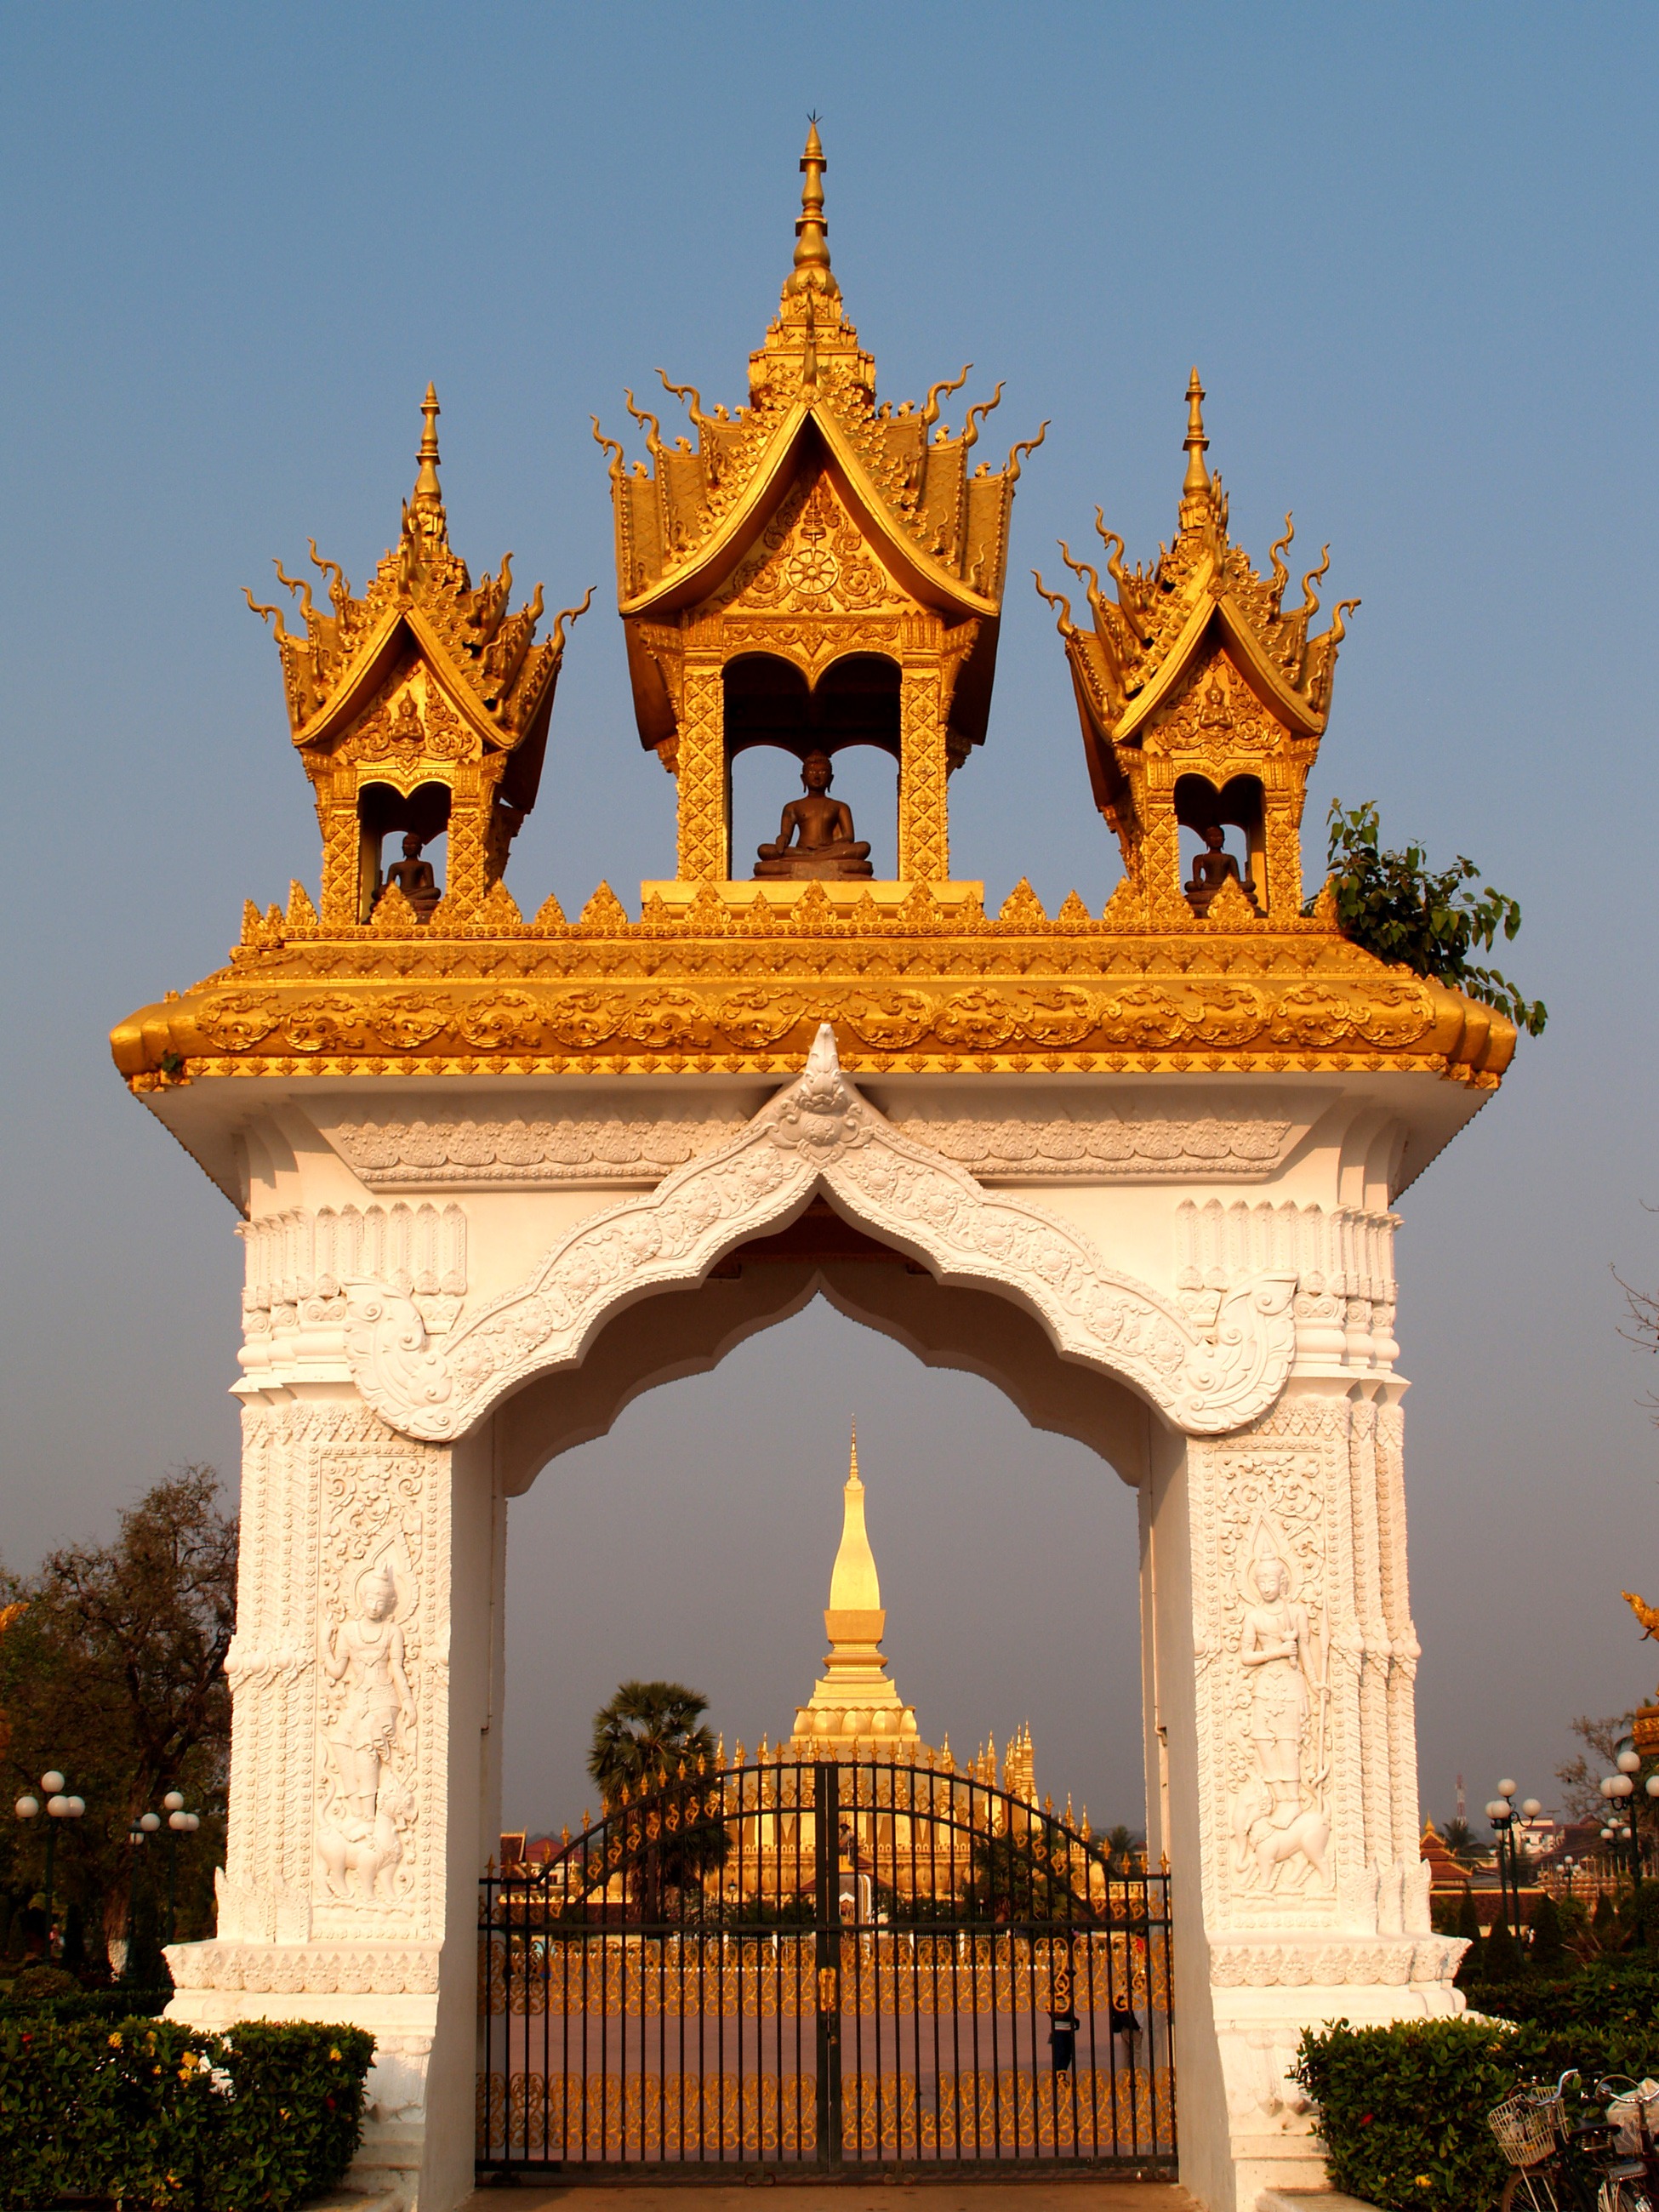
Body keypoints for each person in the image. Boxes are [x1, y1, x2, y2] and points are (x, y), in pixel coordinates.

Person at [754, 750, 874, 880]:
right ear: (803, 778)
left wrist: (831, 847)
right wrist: (782, 839)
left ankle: (814, 859)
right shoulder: (792, 807)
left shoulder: (840, 807)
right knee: (764, 850)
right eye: (811, 772)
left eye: (822, 772)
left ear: (831, 778)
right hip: (802, 852)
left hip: (828, 850)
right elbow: (786, 835)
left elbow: (849, 837)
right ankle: (813, 858)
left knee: (864, 847)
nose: (817, 776)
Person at [1184, 824, 1259, 917]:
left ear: (1224, 839)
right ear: (1205, 839)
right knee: (1189, 885)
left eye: (1219, 836)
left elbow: (1236, 878)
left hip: (1226, 889)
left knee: (1250, 885)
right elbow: (1196, 877)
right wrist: (1198, 880)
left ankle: (1224, 893)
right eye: (1211, 836)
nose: (1216, 839)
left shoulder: (1230, 858)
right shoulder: (1200, 858)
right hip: (1208, 886)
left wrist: (1231, 886)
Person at [381, 832, 442, 920]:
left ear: (420, 848)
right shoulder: (395, 866)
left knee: (436, 891)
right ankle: (401, 899)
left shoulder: (425, 865)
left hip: (415, 893)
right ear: (402, 848)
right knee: (379, 891)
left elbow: (430, 886)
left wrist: (407, 894)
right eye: (406, 845)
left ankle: (402, 899)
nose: (409, 847)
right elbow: (389, 886)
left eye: (413, 844)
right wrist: (395, 893)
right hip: (400, 893)